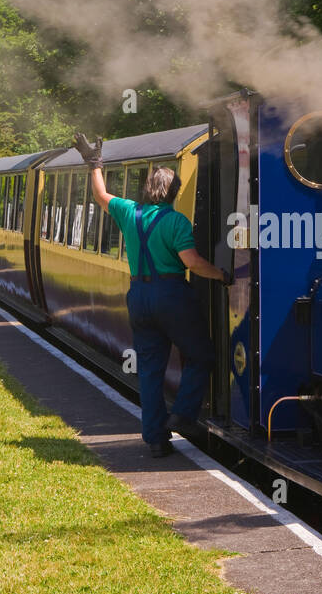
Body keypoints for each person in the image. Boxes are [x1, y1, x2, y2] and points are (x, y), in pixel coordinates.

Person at [75, 132, 228, 458]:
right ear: (175, 192)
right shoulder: (176, 222)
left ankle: (156, 439)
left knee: (150, 370)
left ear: (147, 190)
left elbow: (100, 194)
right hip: (170, 294)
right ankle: (184, 416)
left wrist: (95, 162)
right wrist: (223, 275)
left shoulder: (129, 212)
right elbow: (193, 263)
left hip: (139, 296)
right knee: (201, 355)